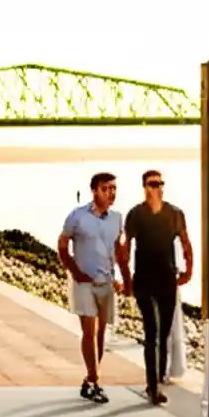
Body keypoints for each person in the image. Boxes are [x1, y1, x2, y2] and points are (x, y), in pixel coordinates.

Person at [117, 169, 193, 405]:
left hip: (167, 280)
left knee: (165, 332)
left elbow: (185, 242)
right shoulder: (136, 214)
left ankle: (158, 377)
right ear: (144, 187)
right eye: (152, 184)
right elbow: (124, 246)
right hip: (144, 281)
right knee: (152, 331)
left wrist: (189, 271)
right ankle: (153, 386)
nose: (157, 188)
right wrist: (126, 278)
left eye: (160, 184)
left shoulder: (174, 214)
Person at [58, 172, 128, 405]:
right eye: (106, 188)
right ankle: (96, 382)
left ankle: (88, 380)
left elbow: (117, 250)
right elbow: (62, 245)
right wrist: (75, 272)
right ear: (94, 191)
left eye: (114, 188)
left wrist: (122, 278)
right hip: (84, 283)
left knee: (100, 334)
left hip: (106, 282)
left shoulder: (117, 218)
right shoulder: (77, 216)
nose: (111, 193)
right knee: (89, 330)